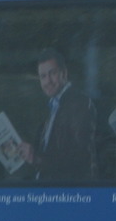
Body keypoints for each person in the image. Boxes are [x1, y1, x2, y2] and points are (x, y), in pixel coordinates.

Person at [14, 48, 94, 182]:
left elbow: (78, 159)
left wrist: (36, 158)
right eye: (43, 76)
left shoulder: (78, 103)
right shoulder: (54, 105)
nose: (47, 81)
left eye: (52, 73)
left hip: (64, 194)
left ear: (64, 73)